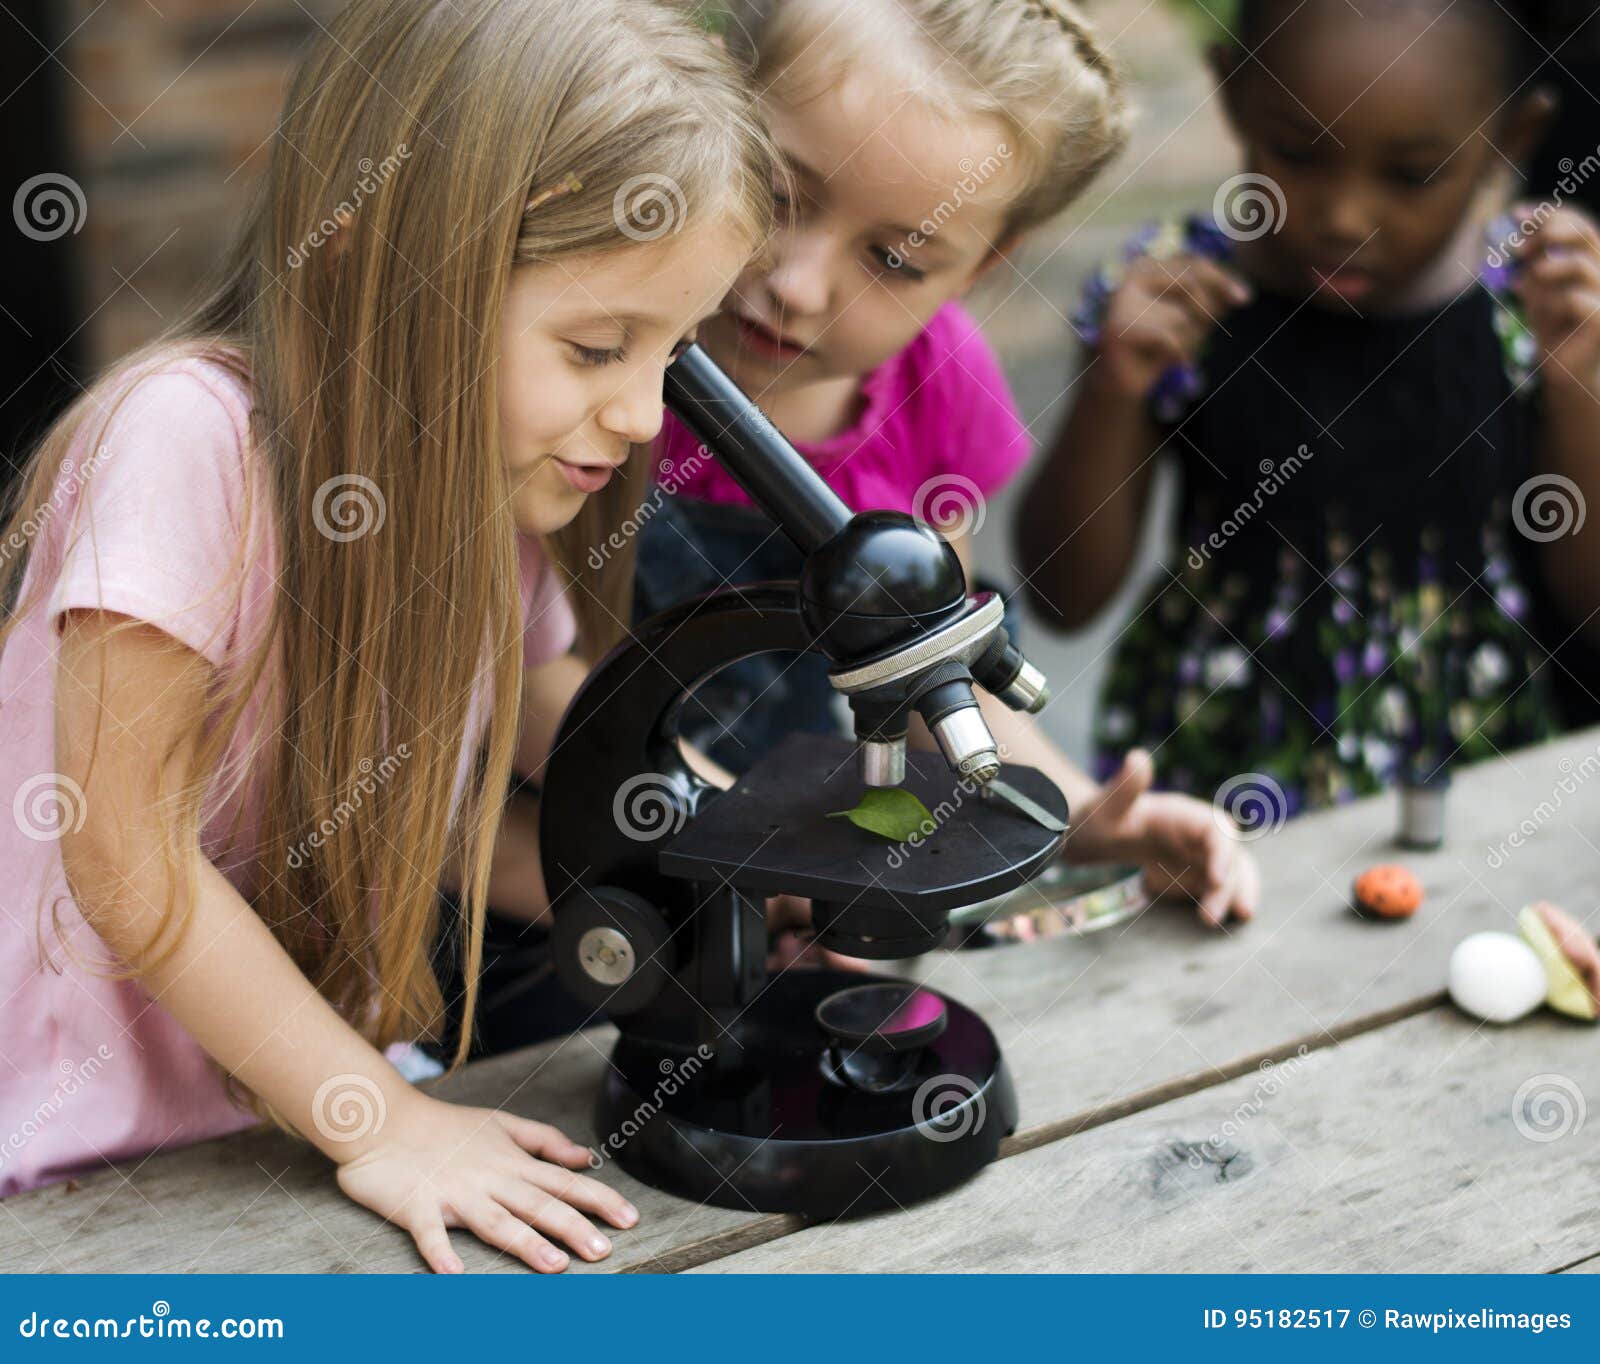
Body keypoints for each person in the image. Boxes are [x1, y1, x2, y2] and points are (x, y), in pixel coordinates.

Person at [0, 0, 779, 1275]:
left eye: (675, 350)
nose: (644, 413)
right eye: (597, 345)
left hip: (292, 1114)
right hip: (76, 1154)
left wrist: (750, 864)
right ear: (377, 266)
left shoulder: (491, 487)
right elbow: (124, 855)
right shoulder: (186, 441)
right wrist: (382, 1114)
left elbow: (558, 760)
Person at [1018, 0, 1600, 812]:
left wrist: (1580, 385)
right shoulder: (1175, 299)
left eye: (1412, 174)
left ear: (1516, 139)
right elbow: (1060, 595)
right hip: (1215, 785)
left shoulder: (1532, 311)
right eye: (1296, 153)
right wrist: (1115, 388)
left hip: (1474, 782)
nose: (1342, 218)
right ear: (1232, 94)